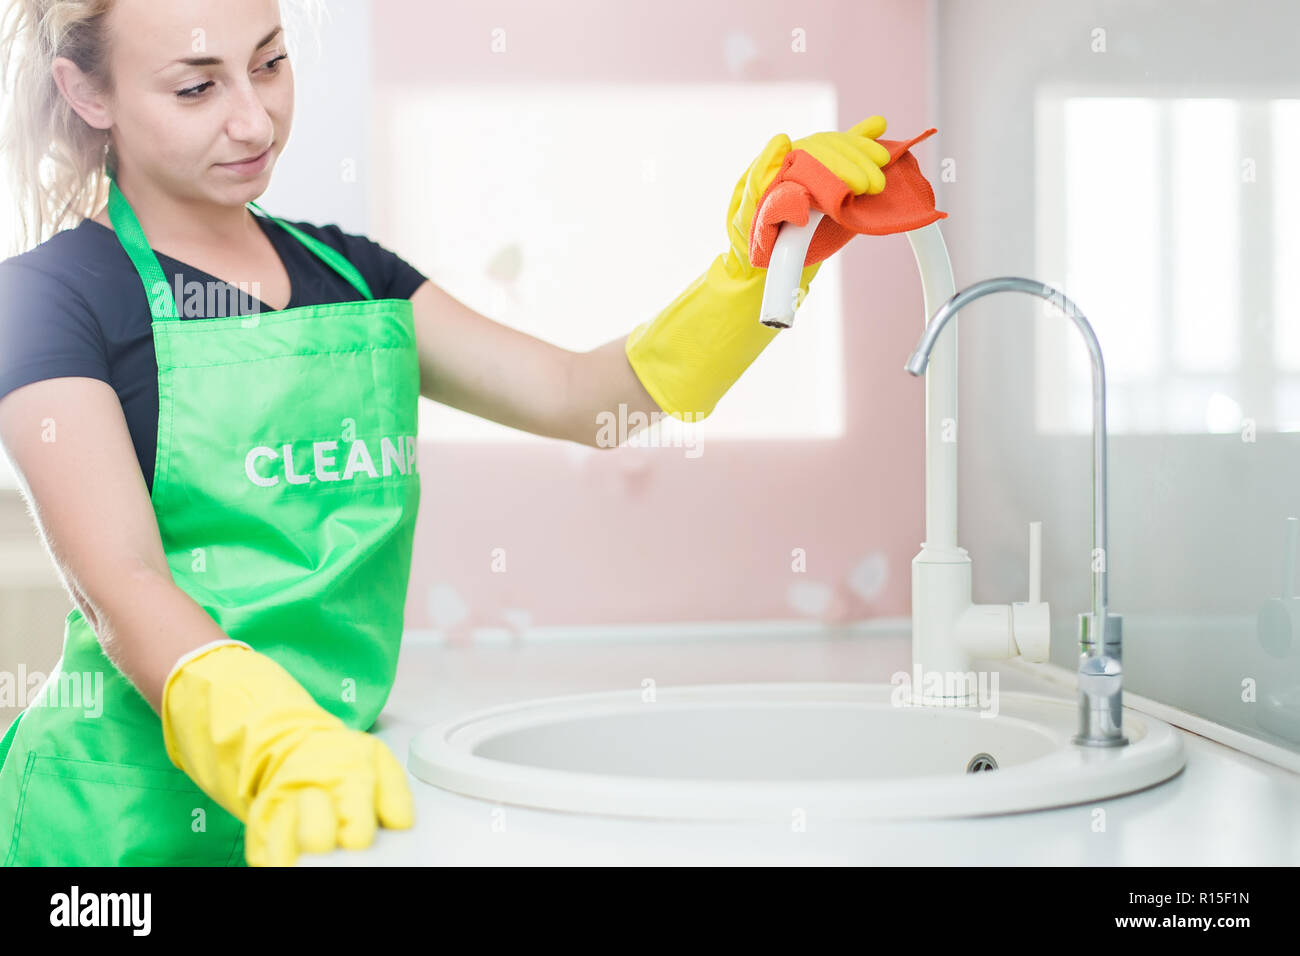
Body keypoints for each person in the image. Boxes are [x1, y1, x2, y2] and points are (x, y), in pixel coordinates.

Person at [0, 0, 892, 866]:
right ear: (87, 93)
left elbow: (585, 396)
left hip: (339, 795)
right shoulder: (47, 298)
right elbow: (123, 580)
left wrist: (756, 272)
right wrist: (275, 747)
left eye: (270, 63)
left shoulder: (355, 277)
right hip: (122, 824)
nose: (252, 119)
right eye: (196, 88)